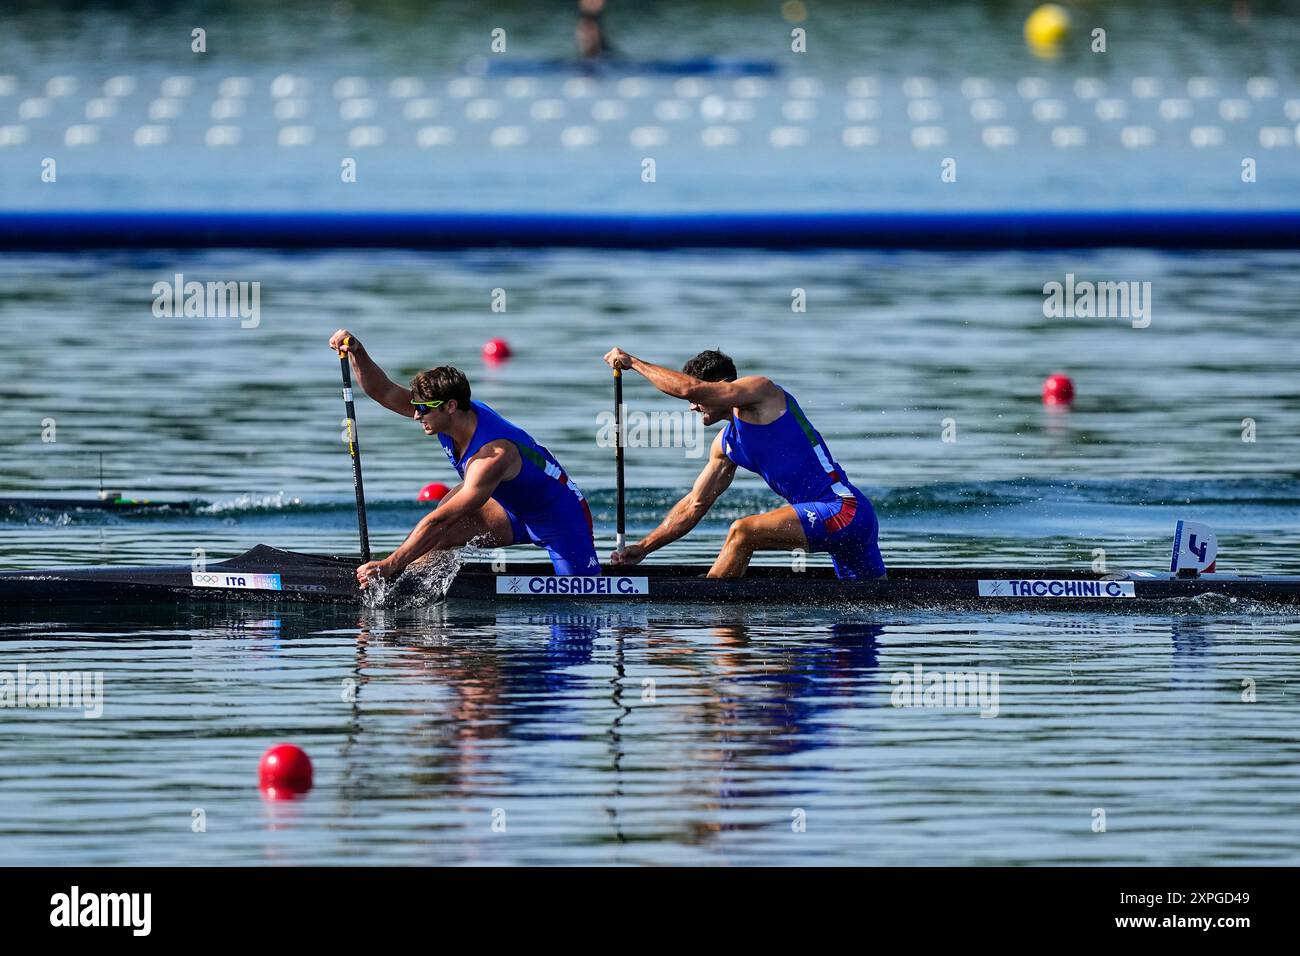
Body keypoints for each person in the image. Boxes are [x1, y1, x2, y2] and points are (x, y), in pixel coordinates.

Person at [330, 330, 598, 587]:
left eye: (423, 409)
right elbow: (384, 392)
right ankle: (405, 587)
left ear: (450, 406)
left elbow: (439, 522)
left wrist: (389, 563)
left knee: (579, 606)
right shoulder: (447, 417)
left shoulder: (491, 457)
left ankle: (389, 572)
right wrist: (358, 352)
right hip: (511, 509)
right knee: (437, 538)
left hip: (561, 518)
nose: (415, 415)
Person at [602, 347, 886, 579]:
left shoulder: (762, 393)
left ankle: (711, 611)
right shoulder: (726, 445)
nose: (692, 407)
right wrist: (644, 548)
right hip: (835, 523)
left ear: (721, 387)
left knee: (743, 532)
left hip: (843, 509)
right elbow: (693, 506)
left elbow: (689, 390)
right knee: (861, 626)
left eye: (700, 398)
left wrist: (633, 362)